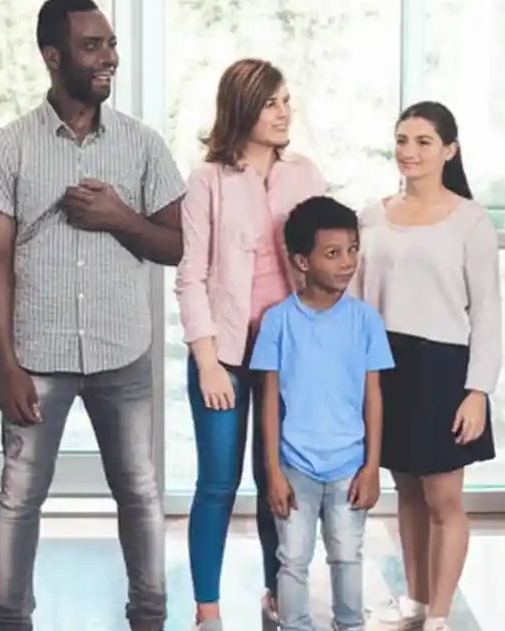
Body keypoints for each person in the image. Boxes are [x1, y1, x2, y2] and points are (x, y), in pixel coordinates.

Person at [0, 0, 187, 631]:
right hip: (38, 359)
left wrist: (118, 216)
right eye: (92, 46)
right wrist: (6, 367)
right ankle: (12, 620)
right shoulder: (5, 149)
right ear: (53, 56)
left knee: (139, 492)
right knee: (19, 498)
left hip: (123, 353)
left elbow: (175, 246)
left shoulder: (144, 146)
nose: (108, 57)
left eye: (110, 44)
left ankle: (149, 616)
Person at [175, 58, 327, 630]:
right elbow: (191, 277)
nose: (285, 112)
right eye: (271, 103)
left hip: (289, 357)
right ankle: (208, 610)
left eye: (287, 101)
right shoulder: (207, 180)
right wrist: (208, 363)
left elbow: (326, 261)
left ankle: (277, 595)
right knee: (217, 482)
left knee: (277, 482)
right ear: (242, 108)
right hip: (225, 357)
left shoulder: (305, 175)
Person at [354, 101, 502, 631]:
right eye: (402, 140)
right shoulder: (372, 216)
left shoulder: (470, 220)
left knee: (443, 497)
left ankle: (439, 615)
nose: (409, 151)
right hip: (386, 364)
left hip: (443, 368)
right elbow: (358, 299)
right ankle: (414, 605)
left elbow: (487, 313)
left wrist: (477, 391)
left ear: (449, 151)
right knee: (408, 492)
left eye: (422, 141)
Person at [251, 195, 394, 631]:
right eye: (332, 253)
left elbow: (373, 398)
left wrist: (372, 467)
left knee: (347, 555)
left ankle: (349, 625)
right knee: (292, 558)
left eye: (352, 250)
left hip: (350, 465)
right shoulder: (277, 321)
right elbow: (269, 403)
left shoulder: (366, 321)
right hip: (295, 466)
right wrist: (273, 472)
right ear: (302, 261)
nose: (347, 262)